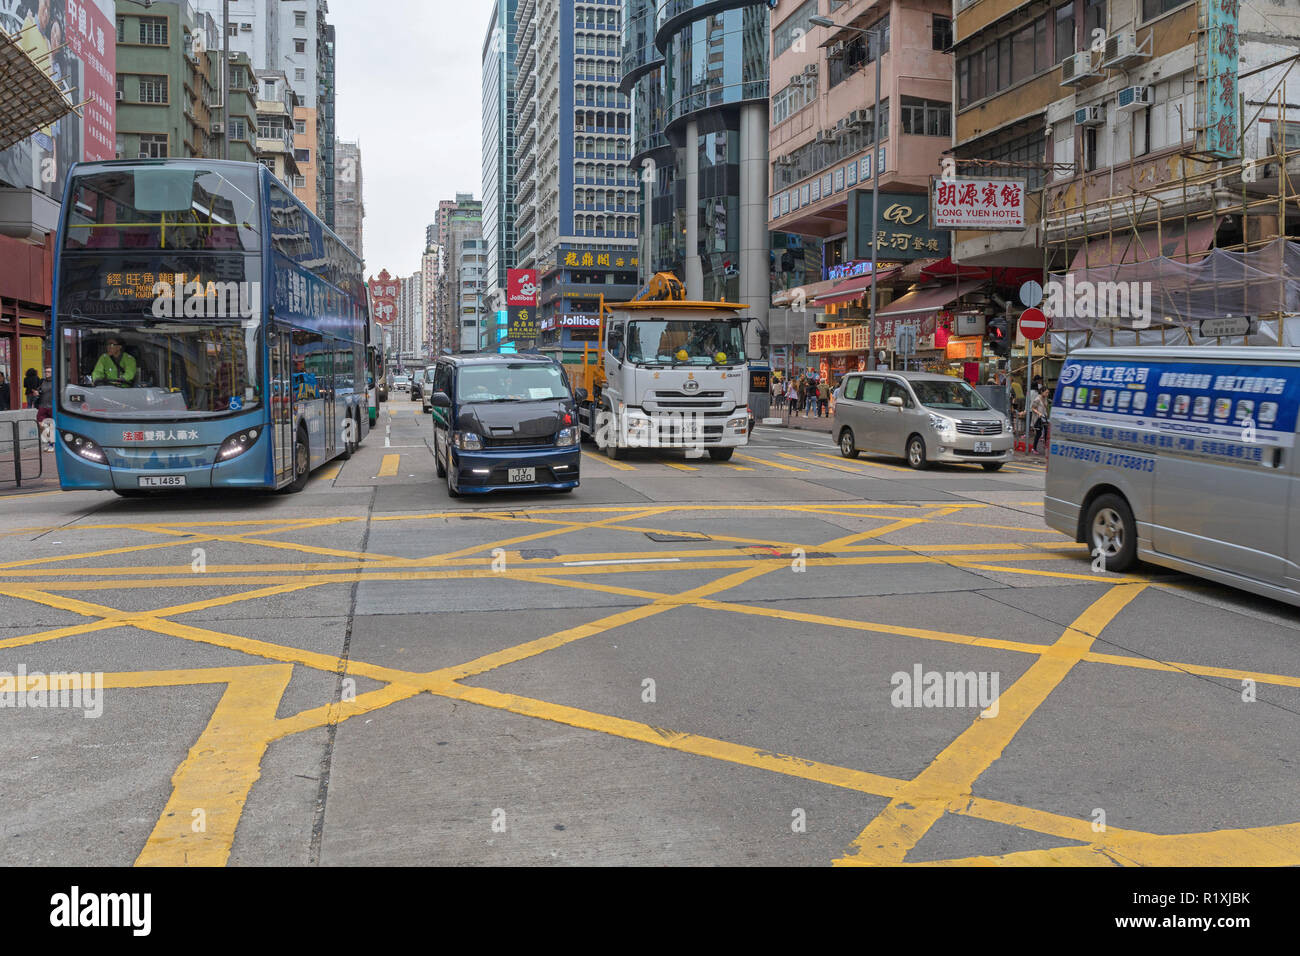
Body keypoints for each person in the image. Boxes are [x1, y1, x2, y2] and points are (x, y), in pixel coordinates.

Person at [1029, 388, 1048, 454]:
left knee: (1046, 431)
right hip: (1038, 418)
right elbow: (1033, 408)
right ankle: (1034, 448)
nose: (1047, 394)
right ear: (1042, 392)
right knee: (1038, 433)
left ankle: (1046, 446)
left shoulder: (1045, 398)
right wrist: (1038, 413)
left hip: (1044, 417)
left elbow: (1045, 407)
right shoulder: (1037, 399)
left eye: (1048, 393)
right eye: (1046, 392)